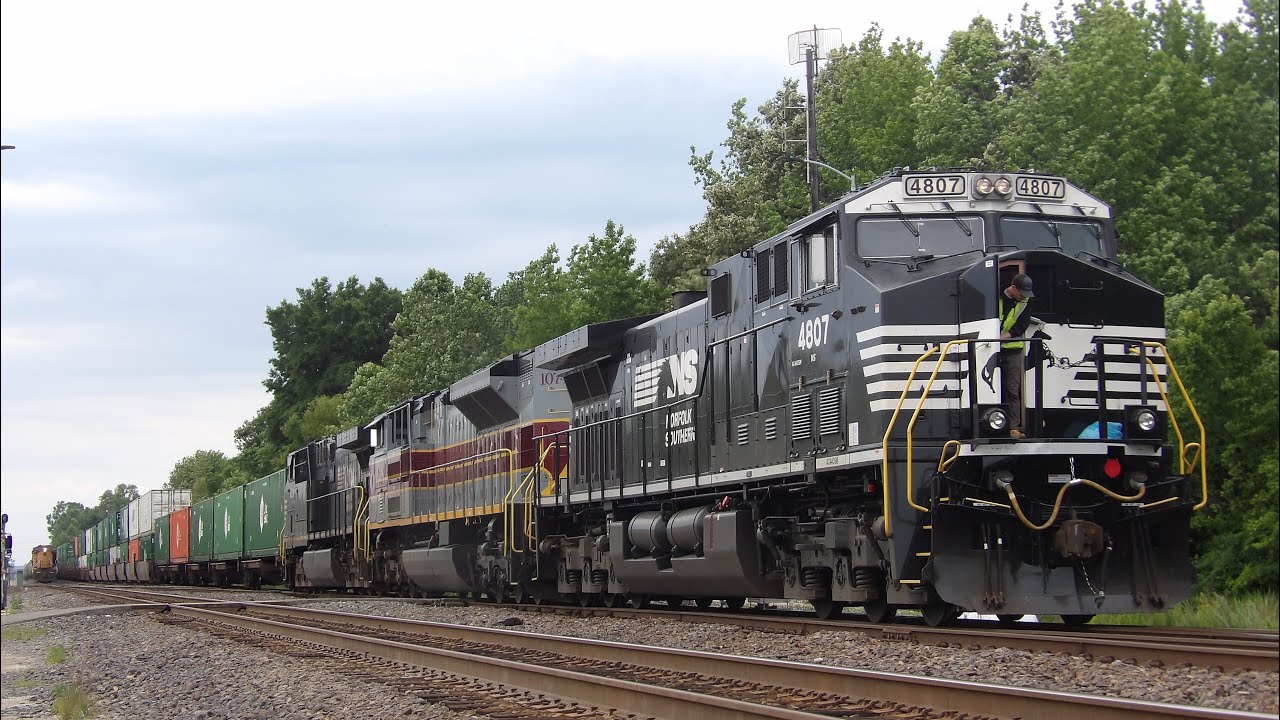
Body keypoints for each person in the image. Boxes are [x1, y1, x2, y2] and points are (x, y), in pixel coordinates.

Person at [999, 273, 1035, 438]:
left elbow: (1021, 326)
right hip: (989, 349)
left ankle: (1013, 427)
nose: (1024, 297)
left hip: (1013, 350)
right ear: (1013, 288)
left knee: (1012, 388)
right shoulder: (995, 295)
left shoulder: (1026, 302)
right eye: (1022, 293)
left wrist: (1001, 337)